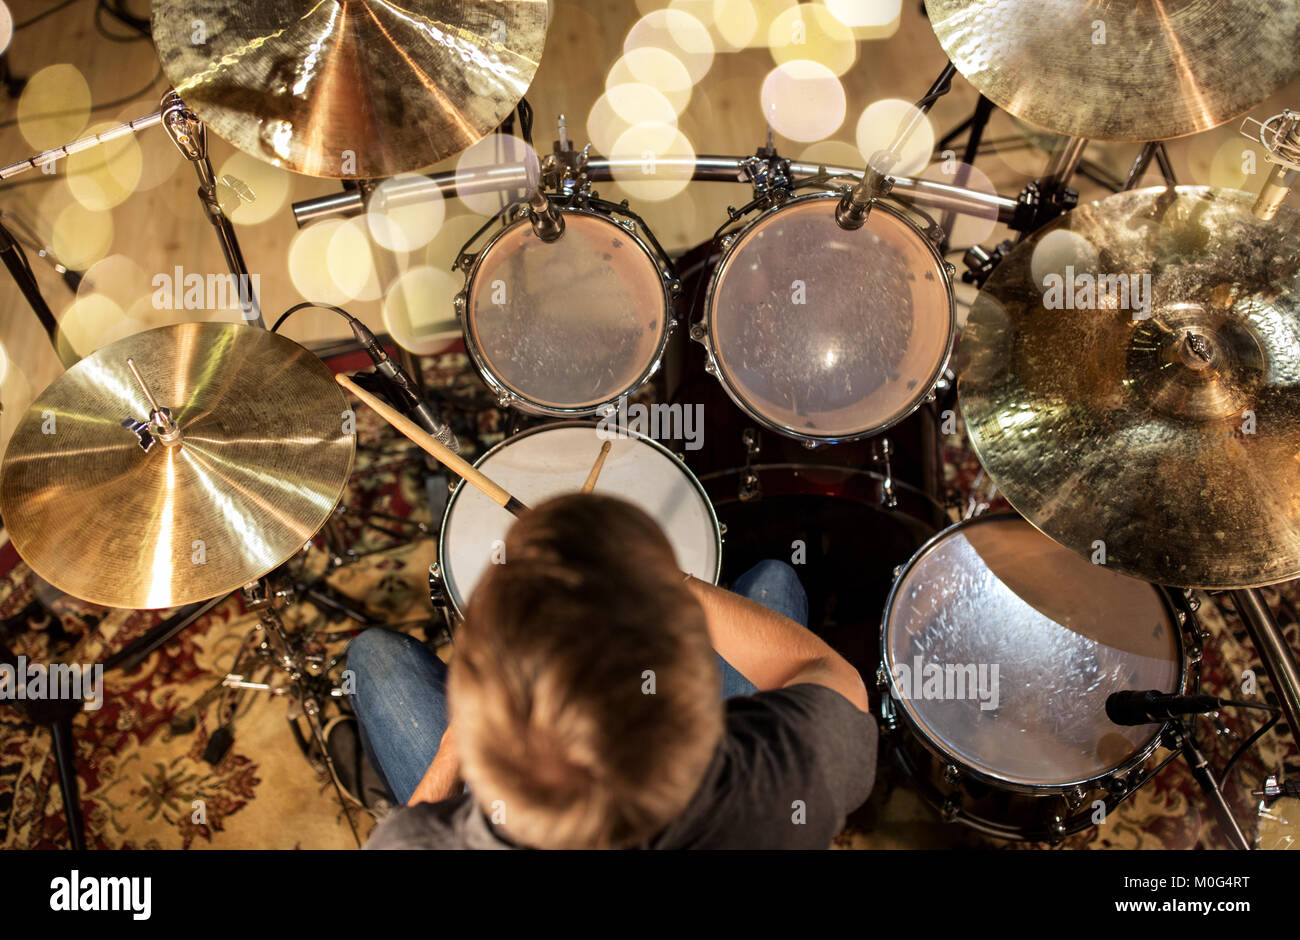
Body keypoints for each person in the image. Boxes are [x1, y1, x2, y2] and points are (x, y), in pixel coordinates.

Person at [348, 492, 876, 849]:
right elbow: (830, 673)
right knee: (774, 580)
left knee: (374, 658)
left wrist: (449, 752)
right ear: (691, 708)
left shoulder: (417, 840)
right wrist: (664, 583)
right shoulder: (791, 771)